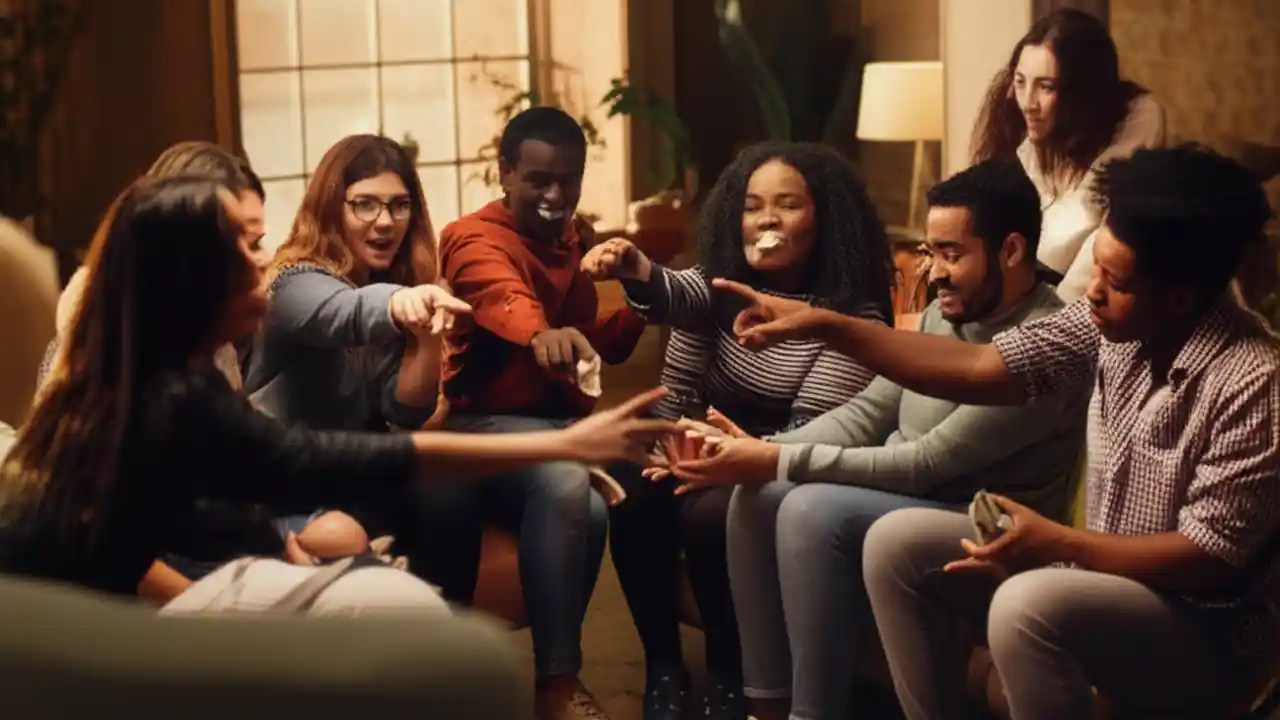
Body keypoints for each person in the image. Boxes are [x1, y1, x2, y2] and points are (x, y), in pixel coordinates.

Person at [710, 145, 1279, 719]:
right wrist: (824, 325)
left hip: (1204, 626)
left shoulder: (1253, 381)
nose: (1092, 289)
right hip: (1100, 574)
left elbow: (1208, 558)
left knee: (1023, 605)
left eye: (1115, 279)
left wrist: (1059, 545)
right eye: (1096, 267)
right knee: (894, 542)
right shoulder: (1109, 324)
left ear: (1181, 297)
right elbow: (982, 368)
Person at [0, 176, 676, 618]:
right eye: (242, 244)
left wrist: (281, 559)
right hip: (83, 643)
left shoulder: (175, 372)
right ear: (189, 276)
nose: (263, 258)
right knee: (402, 614)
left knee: (391, 593)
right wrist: (566, 443)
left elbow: (283, 467)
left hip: (128, 613)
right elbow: (324, 456)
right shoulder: (167, 394)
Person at [666, 158, 1088, 720]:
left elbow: (927, 462)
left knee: (810, 510)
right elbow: (869, 412)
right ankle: (766, 704)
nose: (935, 273)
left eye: (952, 254)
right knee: (757, 494)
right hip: (908, 495)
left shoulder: (1045, 345)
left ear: (1011, 250)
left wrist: (775, 458)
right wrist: (756, 451)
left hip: (980, 515)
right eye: (931, 252)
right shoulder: (942, 314)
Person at [582, 141, 894, 720]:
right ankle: (663, 666)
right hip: (705, 444)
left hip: (783, 460)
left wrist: (725, 458)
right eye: (753, 206)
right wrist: (635, 269)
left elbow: (811, 431)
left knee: (711, 516)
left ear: (825, 218)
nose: (767, 219)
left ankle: (729, 671)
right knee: (629, 487)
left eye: (788, 205)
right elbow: (675, 313)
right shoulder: (719, 288)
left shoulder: (851, 317)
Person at [437, 106, 646, 720]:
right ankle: (558, 684)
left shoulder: (574, 237)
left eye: (568, 180)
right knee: (566, 479)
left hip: (552, 426)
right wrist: (537, 333)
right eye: (538, 180)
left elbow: (590, 342)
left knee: (600, 503)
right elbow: (499, 292)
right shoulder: (470, 236)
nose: (555, 196)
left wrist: (645, 300)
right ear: (505, 173)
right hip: (478, 430)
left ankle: (562, 673)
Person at [243, 134, 482, 604]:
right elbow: (345, 313)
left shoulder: (394, 286)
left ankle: (442, 636)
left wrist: (426, 332)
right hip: (283, 486)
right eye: (365, 205)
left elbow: (405, 410)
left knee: (451, 497)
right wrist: (400, 302)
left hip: (350, 474)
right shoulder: (293, 280)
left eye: (399, 205)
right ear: (332, 208)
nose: (385, 221)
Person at [972, 8, 1165, 301]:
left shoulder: (1139, 114)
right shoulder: (1015, 125)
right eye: (1020, 82)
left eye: (1046, 87)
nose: (1028, 103)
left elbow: (1090, 217)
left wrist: (1045, 317)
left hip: (1078, 297)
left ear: (1082, 90)